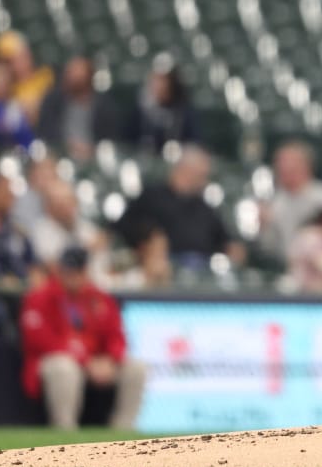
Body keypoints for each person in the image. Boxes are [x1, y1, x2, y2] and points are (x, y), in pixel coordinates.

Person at [19, 247, 147, 430]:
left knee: (136, 367)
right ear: (60, 270)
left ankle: (123, 431)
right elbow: (38, 340)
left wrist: (111, 359)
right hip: (59, 362)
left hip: (96, 362)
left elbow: (117, 336)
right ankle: (65, 430)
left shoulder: (99, 298)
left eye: (78, 271)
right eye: (68, 271)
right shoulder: (40, 297)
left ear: (86, 271)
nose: (73, 277)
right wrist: (85, 360)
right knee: (64, 367)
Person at [116, 146, 243, 274]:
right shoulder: (151, 197)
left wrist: (232, 250)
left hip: (201, 271)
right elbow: (124, 228)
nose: (204, 181)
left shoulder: (204, 207)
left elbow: (225, 241)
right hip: (162, 270)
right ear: (186, 170)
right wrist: (149, 241)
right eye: (201, 175)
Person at [259, 142, 322, 264]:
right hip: (288, 269)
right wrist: (264, 226)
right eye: (280, 165)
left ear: (306, 166)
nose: (284, 168)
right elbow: (269, 249)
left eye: (290, 164)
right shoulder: (274, 204)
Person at [36, 56, 110, 161]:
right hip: (60, 156)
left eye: (78, 73)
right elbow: (45, 133)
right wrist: (68, 146)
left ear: (89, 75)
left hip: (94, 158)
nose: (73, 76)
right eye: (71, 72)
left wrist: (92, 149)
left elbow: (109, 139)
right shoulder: (54, 102)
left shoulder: (103, 106)